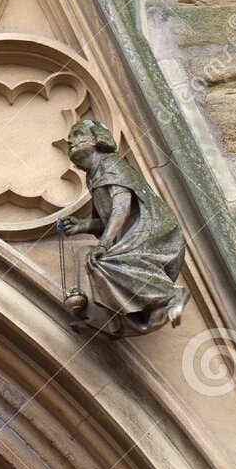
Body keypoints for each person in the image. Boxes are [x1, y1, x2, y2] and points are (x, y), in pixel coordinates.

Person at [57, 118, 188, 335]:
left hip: (152, 235)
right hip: (133, 234)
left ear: (98, 139)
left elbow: (121, 206)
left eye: (78, 134)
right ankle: (116, 322)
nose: (71, 141)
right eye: (70, 138)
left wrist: (104, 244)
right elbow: (110, 220)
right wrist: (83, 225)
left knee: (103, 261)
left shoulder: (110, 164)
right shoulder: (94, 174)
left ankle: (169, 295)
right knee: (95, 260)